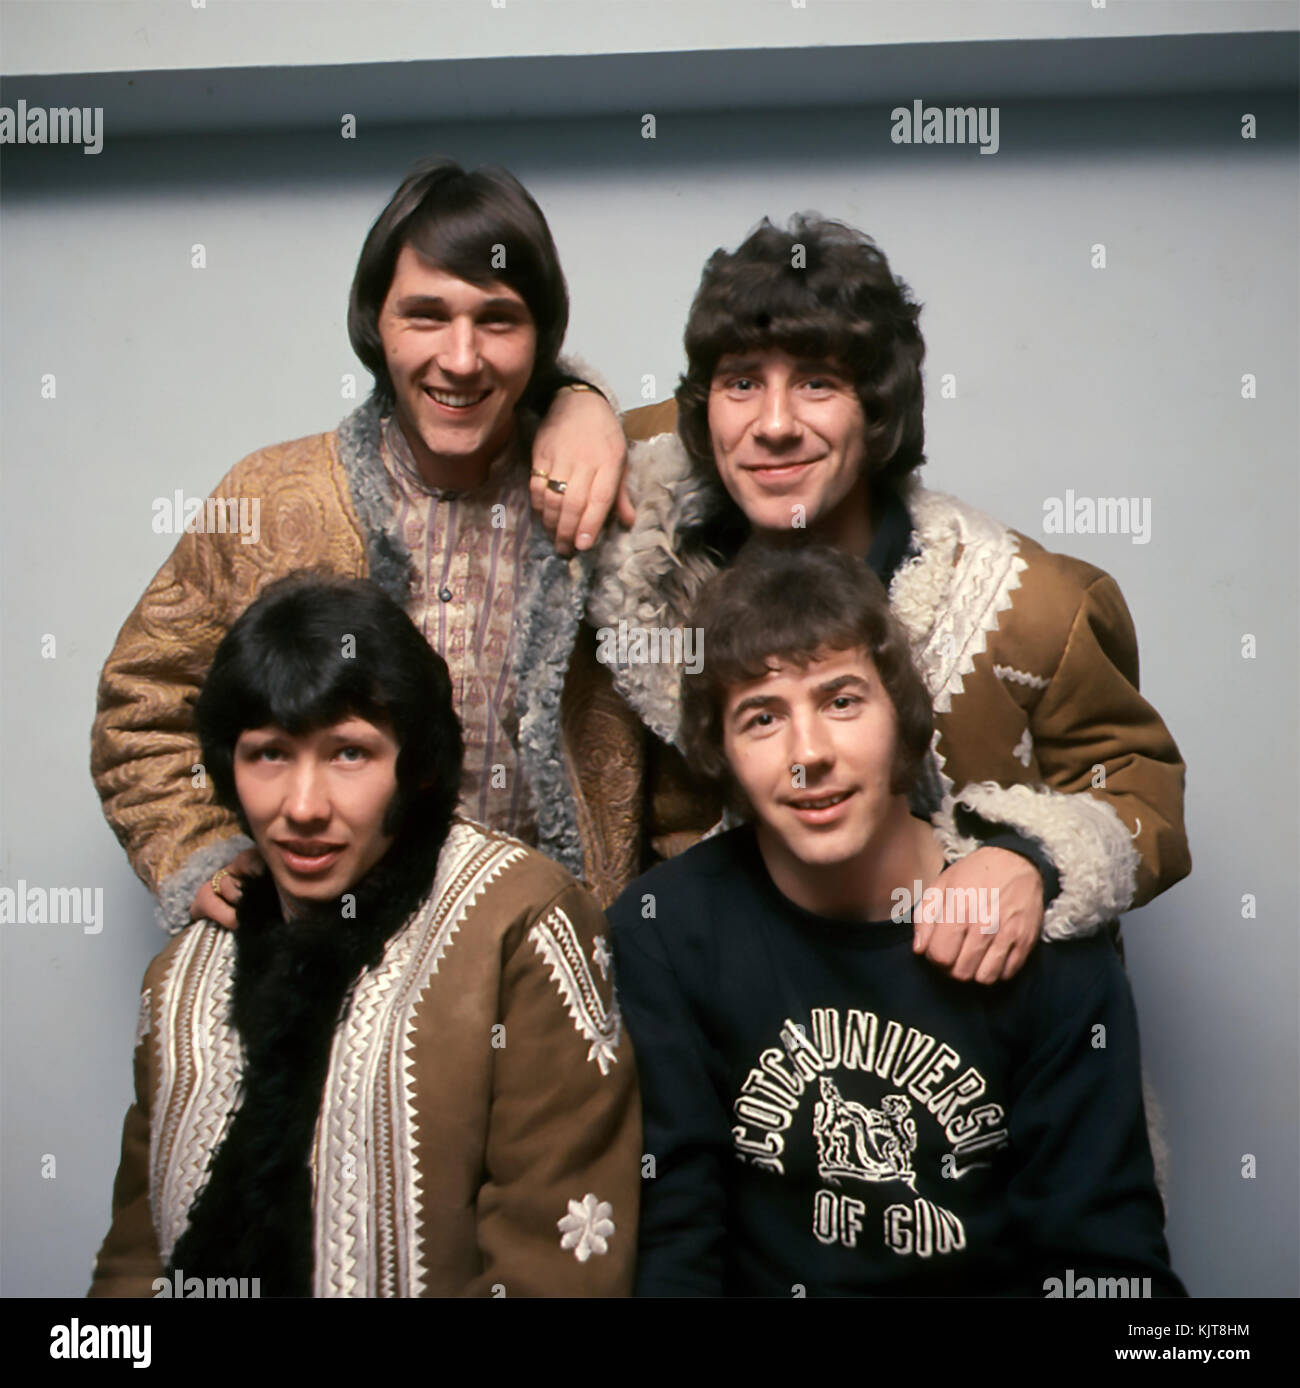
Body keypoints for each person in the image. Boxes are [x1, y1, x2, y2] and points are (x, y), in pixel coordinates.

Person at [597, 215, 1190, 978]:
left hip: (960, 1040)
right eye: (742, 382)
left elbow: (1147, 801)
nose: (773, 425)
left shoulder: (1035, 606)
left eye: (817, 383)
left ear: (877, 408)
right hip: (717, 1039)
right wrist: (576, 402)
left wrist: (1034, 858)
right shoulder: (647, 559)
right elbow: (528, 408)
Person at [608, 542, 1184, 1297]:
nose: (807, 753)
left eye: (841, 701)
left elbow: (1105, 1265)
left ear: (902, 719)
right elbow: (676, 1240)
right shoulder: (665, 931)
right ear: (720, 751)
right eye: (760, 718)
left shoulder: (1035, 934)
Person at [92, 157, 644, 933]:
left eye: (497, 320)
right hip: (328, 961)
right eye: (425, 315)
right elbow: (139, 706)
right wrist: (201, 849)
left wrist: (585, 398)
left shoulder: (606, 493)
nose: (461, 357)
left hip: (559, 960)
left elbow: (689, 746)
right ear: (373, 326)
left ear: (540, 337)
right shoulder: (266, 497)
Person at [90, 575, 639, 1298]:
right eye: (268, 754)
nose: (304, 807)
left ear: (413, 767)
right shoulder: (184, 973)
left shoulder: (522, 923)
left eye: (348, 753)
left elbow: (553, 1271)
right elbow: (131, 1268)